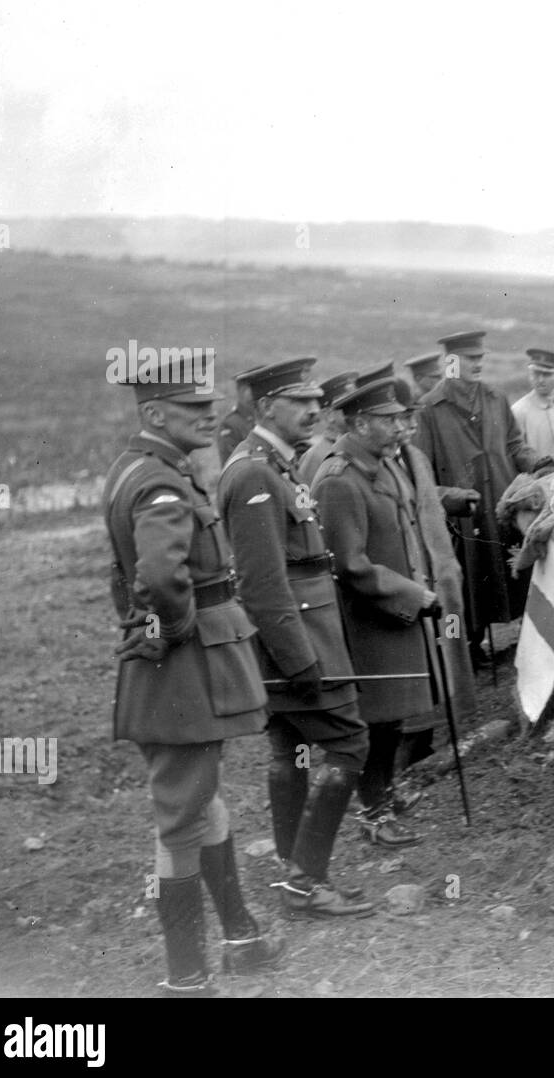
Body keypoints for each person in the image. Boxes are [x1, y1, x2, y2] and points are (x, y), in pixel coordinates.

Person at [104, 373, 282, 996]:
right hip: (183, 667)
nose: (209, 417)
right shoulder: (159, 480)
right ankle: (186, 976)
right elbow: (156, 574)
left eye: (210, 407)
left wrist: (148, 624)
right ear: (154, 411)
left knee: (203, 800)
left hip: (176, 666)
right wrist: (172, 629)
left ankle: (239, 938)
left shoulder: (139, 467)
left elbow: (122, 577)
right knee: (182, 817)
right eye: (191, 409)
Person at [217, 358, 374, 920]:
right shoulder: (256, 473)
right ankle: (305, 881)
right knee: (351, 745)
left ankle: (296, 875)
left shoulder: (274, 466)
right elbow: (261, 584)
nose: (314, 409)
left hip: (298, 636)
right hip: (295, 641)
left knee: (290, 749)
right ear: (264, 408)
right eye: (298, 401)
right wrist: (299, 658)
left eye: (315, 399)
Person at [312, 378, 480, 845]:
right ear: (361, 423)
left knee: (392, 719)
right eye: (389, 420)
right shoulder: (339, 480)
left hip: (399, 614)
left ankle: (384, 794)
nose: (400, 427)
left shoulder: (385, 466)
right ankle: (373, 813)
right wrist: (411, 594)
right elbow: (349, 563)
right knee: (374, 719)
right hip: (371, 619)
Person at [413, 331, 554, 664]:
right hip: (461, 518)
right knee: (465, 586)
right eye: (470, 359)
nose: (479, 364)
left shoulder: (495, 397)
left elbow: (513, 446)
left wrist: (538, 461)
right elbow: (421, 475)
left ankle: (523, 639)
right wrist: (451, 497)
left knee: (511, 576)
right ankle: (464, 649)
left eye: (481, 358)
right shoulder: (429, 410)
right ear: (450, 363)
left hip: (501, 508)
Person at [297, 369, 359, 484]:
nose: (356, 411)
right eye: (347, 406)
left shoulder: (356, 447)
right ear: (329, 415)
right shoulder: (316, 456)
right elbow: (303, 500)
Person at [215, 365, 263, 461]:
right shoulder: (230, 424)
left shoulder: (262, 417)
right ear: (242, 391)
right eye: (253, 389)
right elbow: (231, 461)